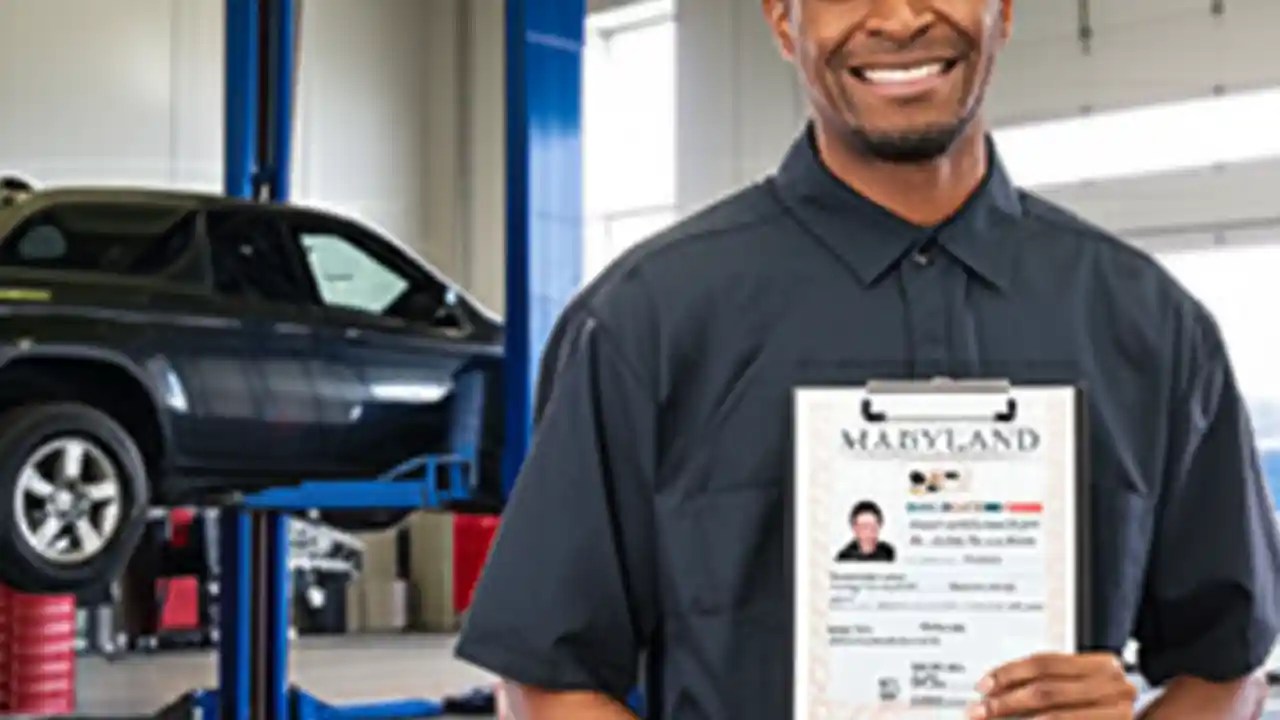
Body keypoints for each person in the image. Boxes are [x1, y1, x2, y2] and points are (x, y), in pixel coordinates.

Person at [455, 0, 1280, 717]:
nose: (898, 19)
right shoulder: (645, 323)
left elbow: (1228, 662)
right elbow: (544, 679)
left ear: (1004, 8)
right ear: (784, 19)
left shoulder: (1153, 328)